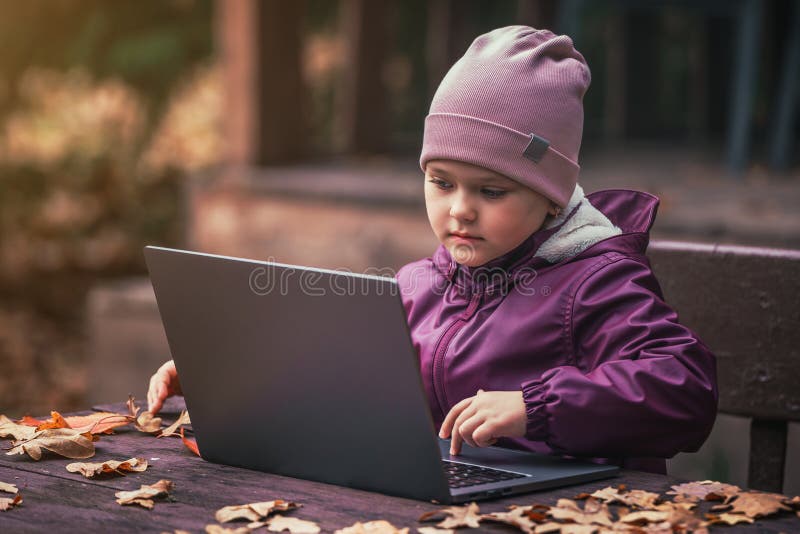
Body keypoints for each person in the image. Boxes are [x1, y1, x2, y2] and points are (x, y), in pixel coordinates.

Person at [147, 26, 717, 474]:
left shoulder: (595, 282)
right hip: (448, 501)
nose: (459, 210)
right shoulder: (421, 285)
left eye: (491, 191)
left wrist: (535, 407)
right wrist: (228, 376)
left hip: (574, 509)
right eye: (441, 182)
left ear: (551, 197)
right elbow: (343, 377)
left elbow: (683, 386)